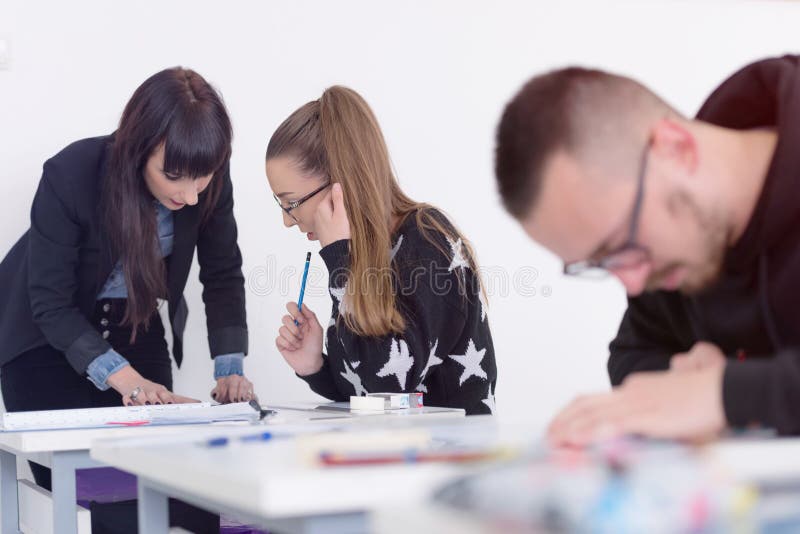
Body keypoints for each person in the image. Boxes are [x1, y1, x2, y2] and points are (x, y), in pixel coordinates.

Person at [494, 56, 800, 445]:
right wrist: (681, 374)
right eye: (600, 263)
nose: (634, 284)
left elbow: (724, 392)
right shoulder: (677, 254)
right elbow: (633, 352)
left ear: (676, 149)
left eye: (619, 244)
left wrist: (726, 393)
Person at [0, 67, 254, 502]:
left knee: (165, 489)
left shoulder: (205, 168)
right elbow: (51, 304)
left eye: (203, 178)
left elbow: (223, 271)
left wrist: (230, 369)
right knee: (85, 498)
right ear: (139, 148)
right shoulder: (71, 173)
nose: (191, 196)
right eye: (173, 176)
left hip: (134, 323)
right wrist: (130, 382)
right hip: (44, 339)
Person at [265, 86, 496, 415]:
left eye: (291, 203)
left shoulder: (429, 242)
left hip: (453, 446)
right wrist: (315, 366)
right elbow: (365, 387)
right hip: (396, 444)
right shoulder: (360, 254)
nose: (288, 221)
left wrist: (340, 261)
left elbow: (392, 386)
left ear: (339, 185)